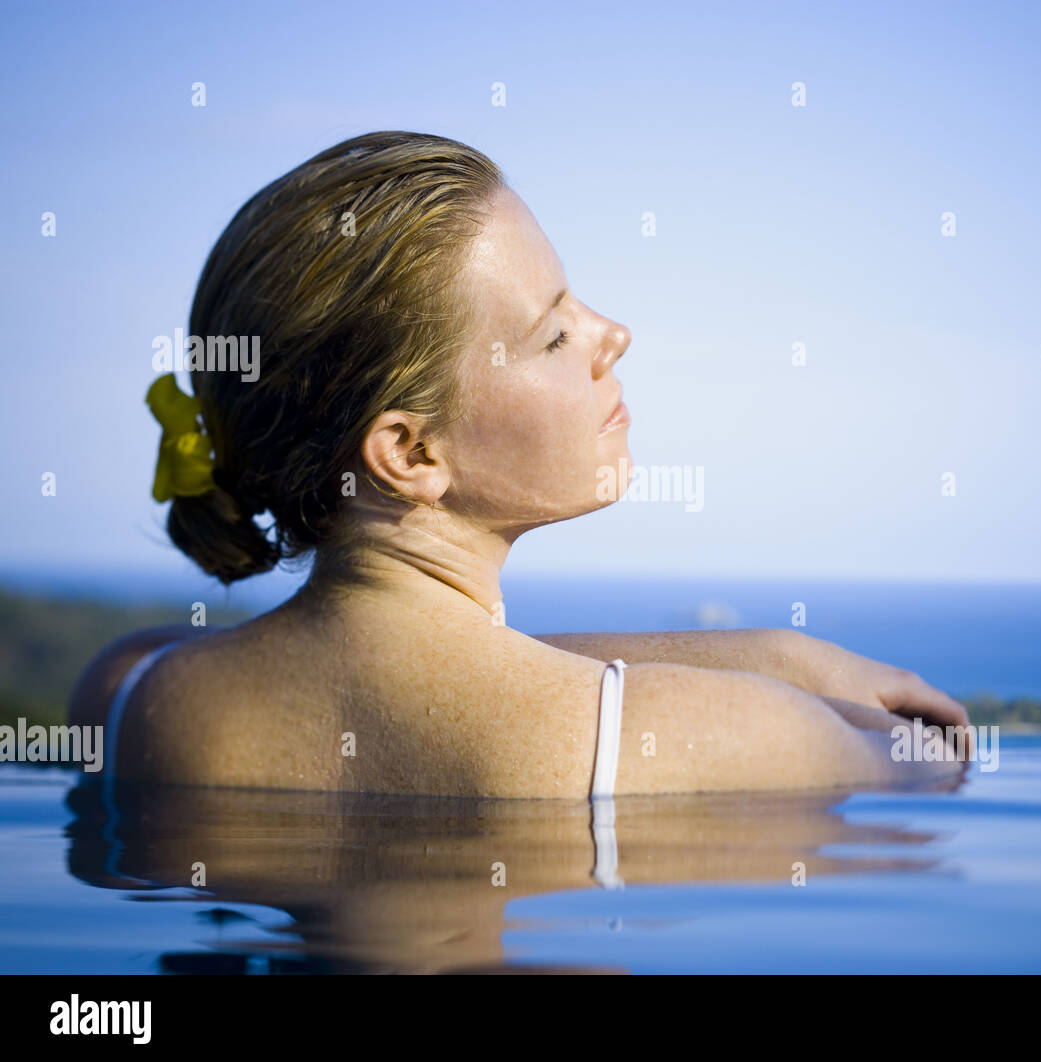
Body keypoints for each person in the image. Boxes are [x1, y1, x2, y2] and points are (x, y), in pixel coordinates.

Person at [69, 131, 971, 800]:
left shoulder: (127, 693)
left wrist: (769, 654)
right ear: (409, 453)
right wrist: (794, 690)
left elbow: (415, 675)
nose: (614, 335)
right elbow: (934, 756)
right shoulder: (724, 740)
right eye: (553, 334)